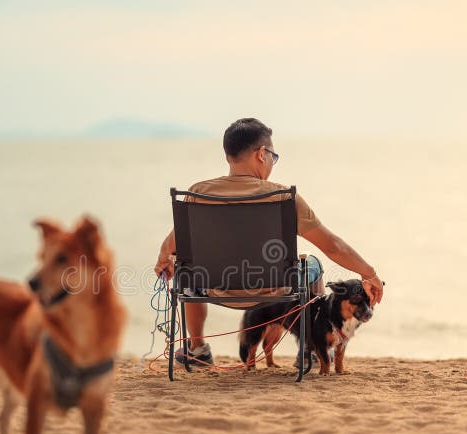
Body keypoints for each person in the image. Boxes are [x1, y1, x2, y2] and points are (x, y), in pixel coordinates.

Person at [154, 118, 383, 365]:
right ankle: (309, 349)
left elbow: (170, 247)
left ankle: (197, 349)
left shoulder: (198, 194)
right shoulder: (283, 197)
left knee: (186, 270)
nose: (272, 163)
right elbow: (333, 247)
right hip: (275, 290)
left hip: (214, 289)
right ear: (261, 154)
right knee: (313, 263)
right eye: (273, 157)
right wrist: (369, 274)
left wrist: (163, 261)